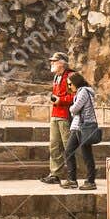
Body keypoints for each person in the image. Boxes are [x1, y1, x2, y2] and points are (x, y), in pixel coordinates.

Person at [60, 71, 100, 191]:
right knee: (69, 152)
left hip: (83, 126)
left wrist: (71, 108)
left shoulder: (83, 91)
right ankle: (72, 180)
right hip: (78, 127)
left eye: (70, 84)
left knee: (86, 154)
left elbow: (75, 108)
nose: (69, 87)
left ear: (76, 83)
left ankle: (90, 181)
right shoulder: (82, 91)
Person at [42, 52, 75, 185]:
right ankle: (55, 174)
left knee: (69, 146)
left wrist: (61, 100)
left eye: (54, 61)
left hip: (65, 115)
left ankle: (73, 175)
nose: (52, 63)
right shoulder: (56, 76)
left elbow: (77, 96)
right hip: (55, 114)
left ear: (62, 63)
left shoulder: (71, 76)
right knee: (54, 146)